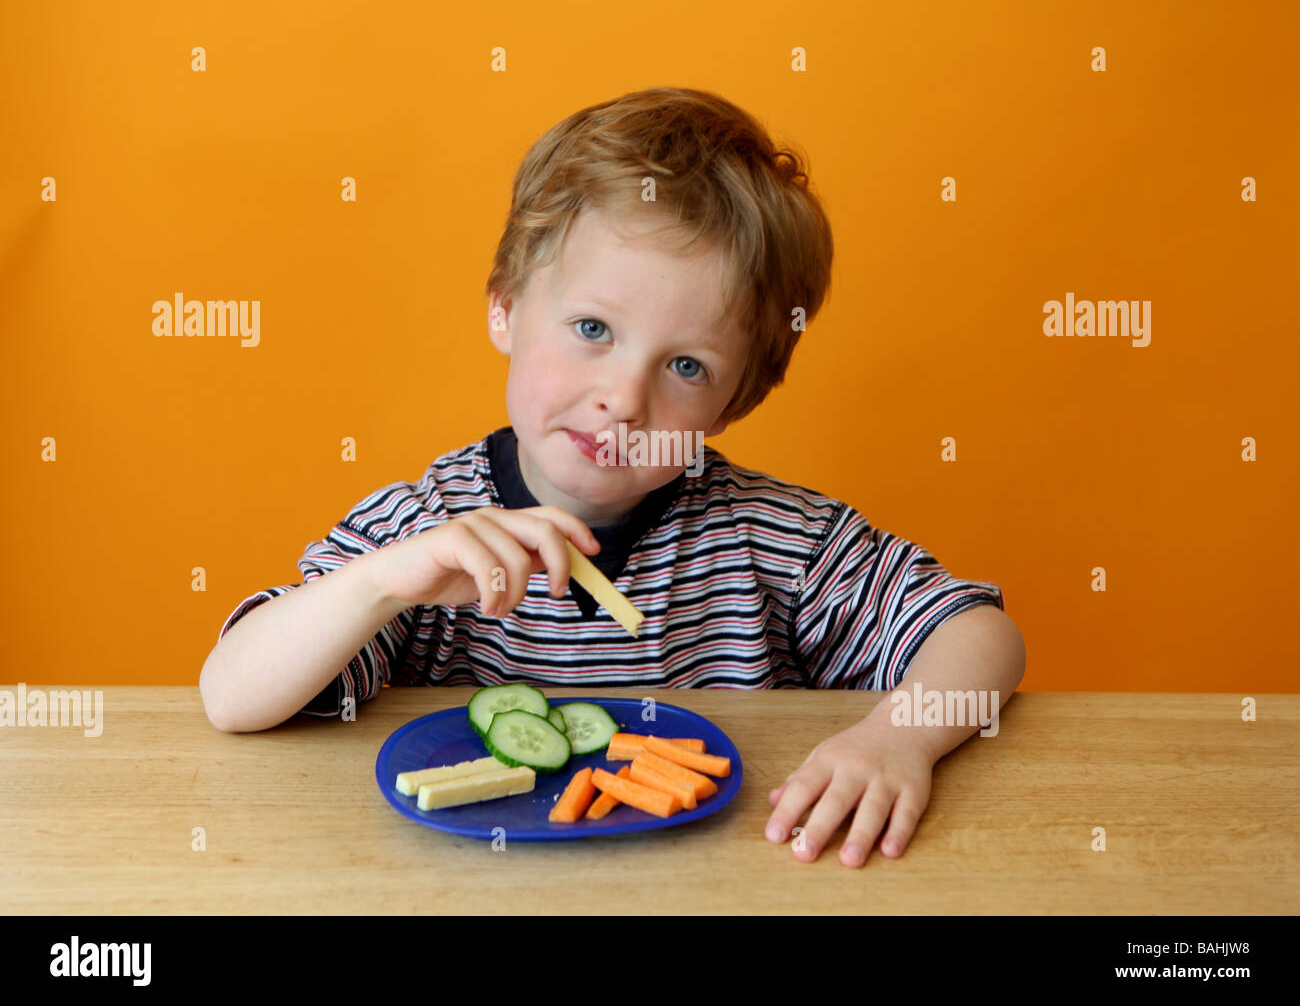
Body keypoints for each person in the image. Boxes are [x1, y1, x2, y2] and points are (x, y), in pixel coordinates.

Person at [199, 86, 1026, 869]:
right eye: (593, 327)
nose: (624, 400)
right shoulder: (423, 533)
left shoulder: (777, 540)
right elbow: (234, 696)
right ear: (505, 308)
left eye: (687, 366)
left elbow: (980, 635)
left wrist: (896, 739)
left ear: (735, 402)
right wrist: (379, 585)